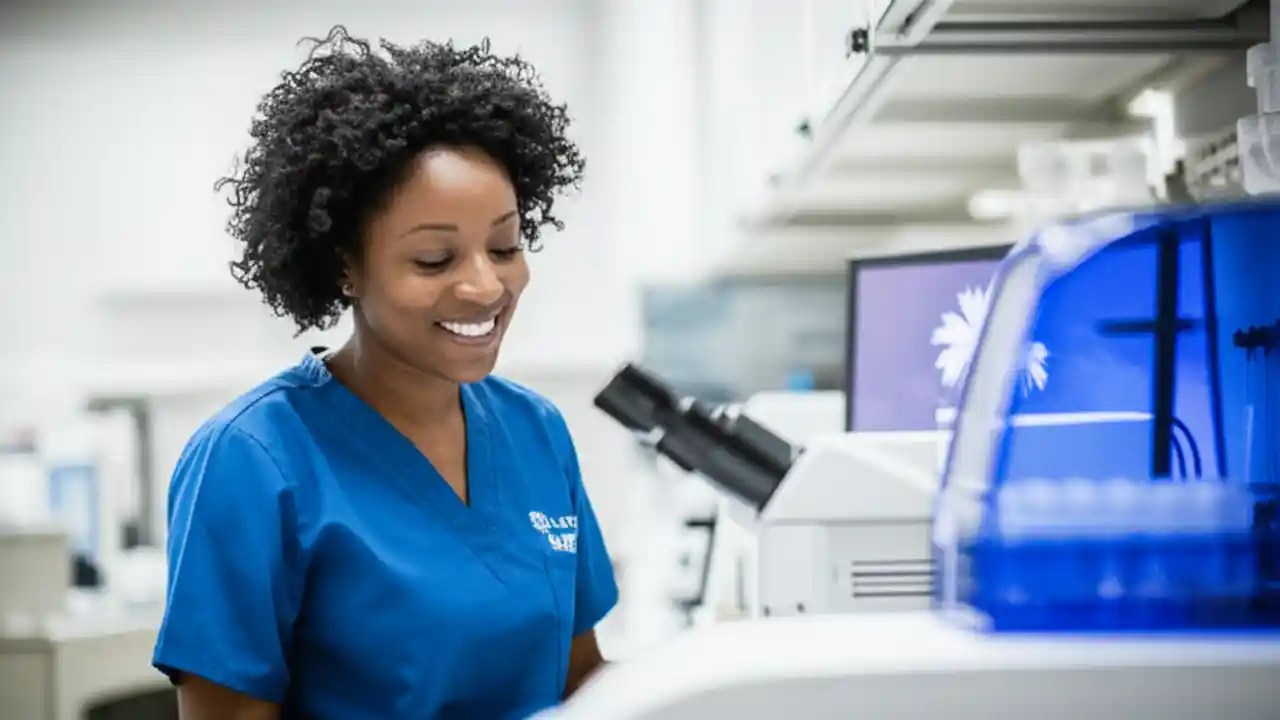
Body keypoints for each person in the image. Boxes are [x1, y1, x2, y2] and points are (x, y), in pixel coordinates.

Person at [150, 27, 617, 720]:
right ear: (345, 264)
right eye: (435, 260)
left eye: (505, 245)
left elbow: (581, 679)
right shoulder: (252, 460)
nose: (486, 287)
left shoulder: (536, 431)